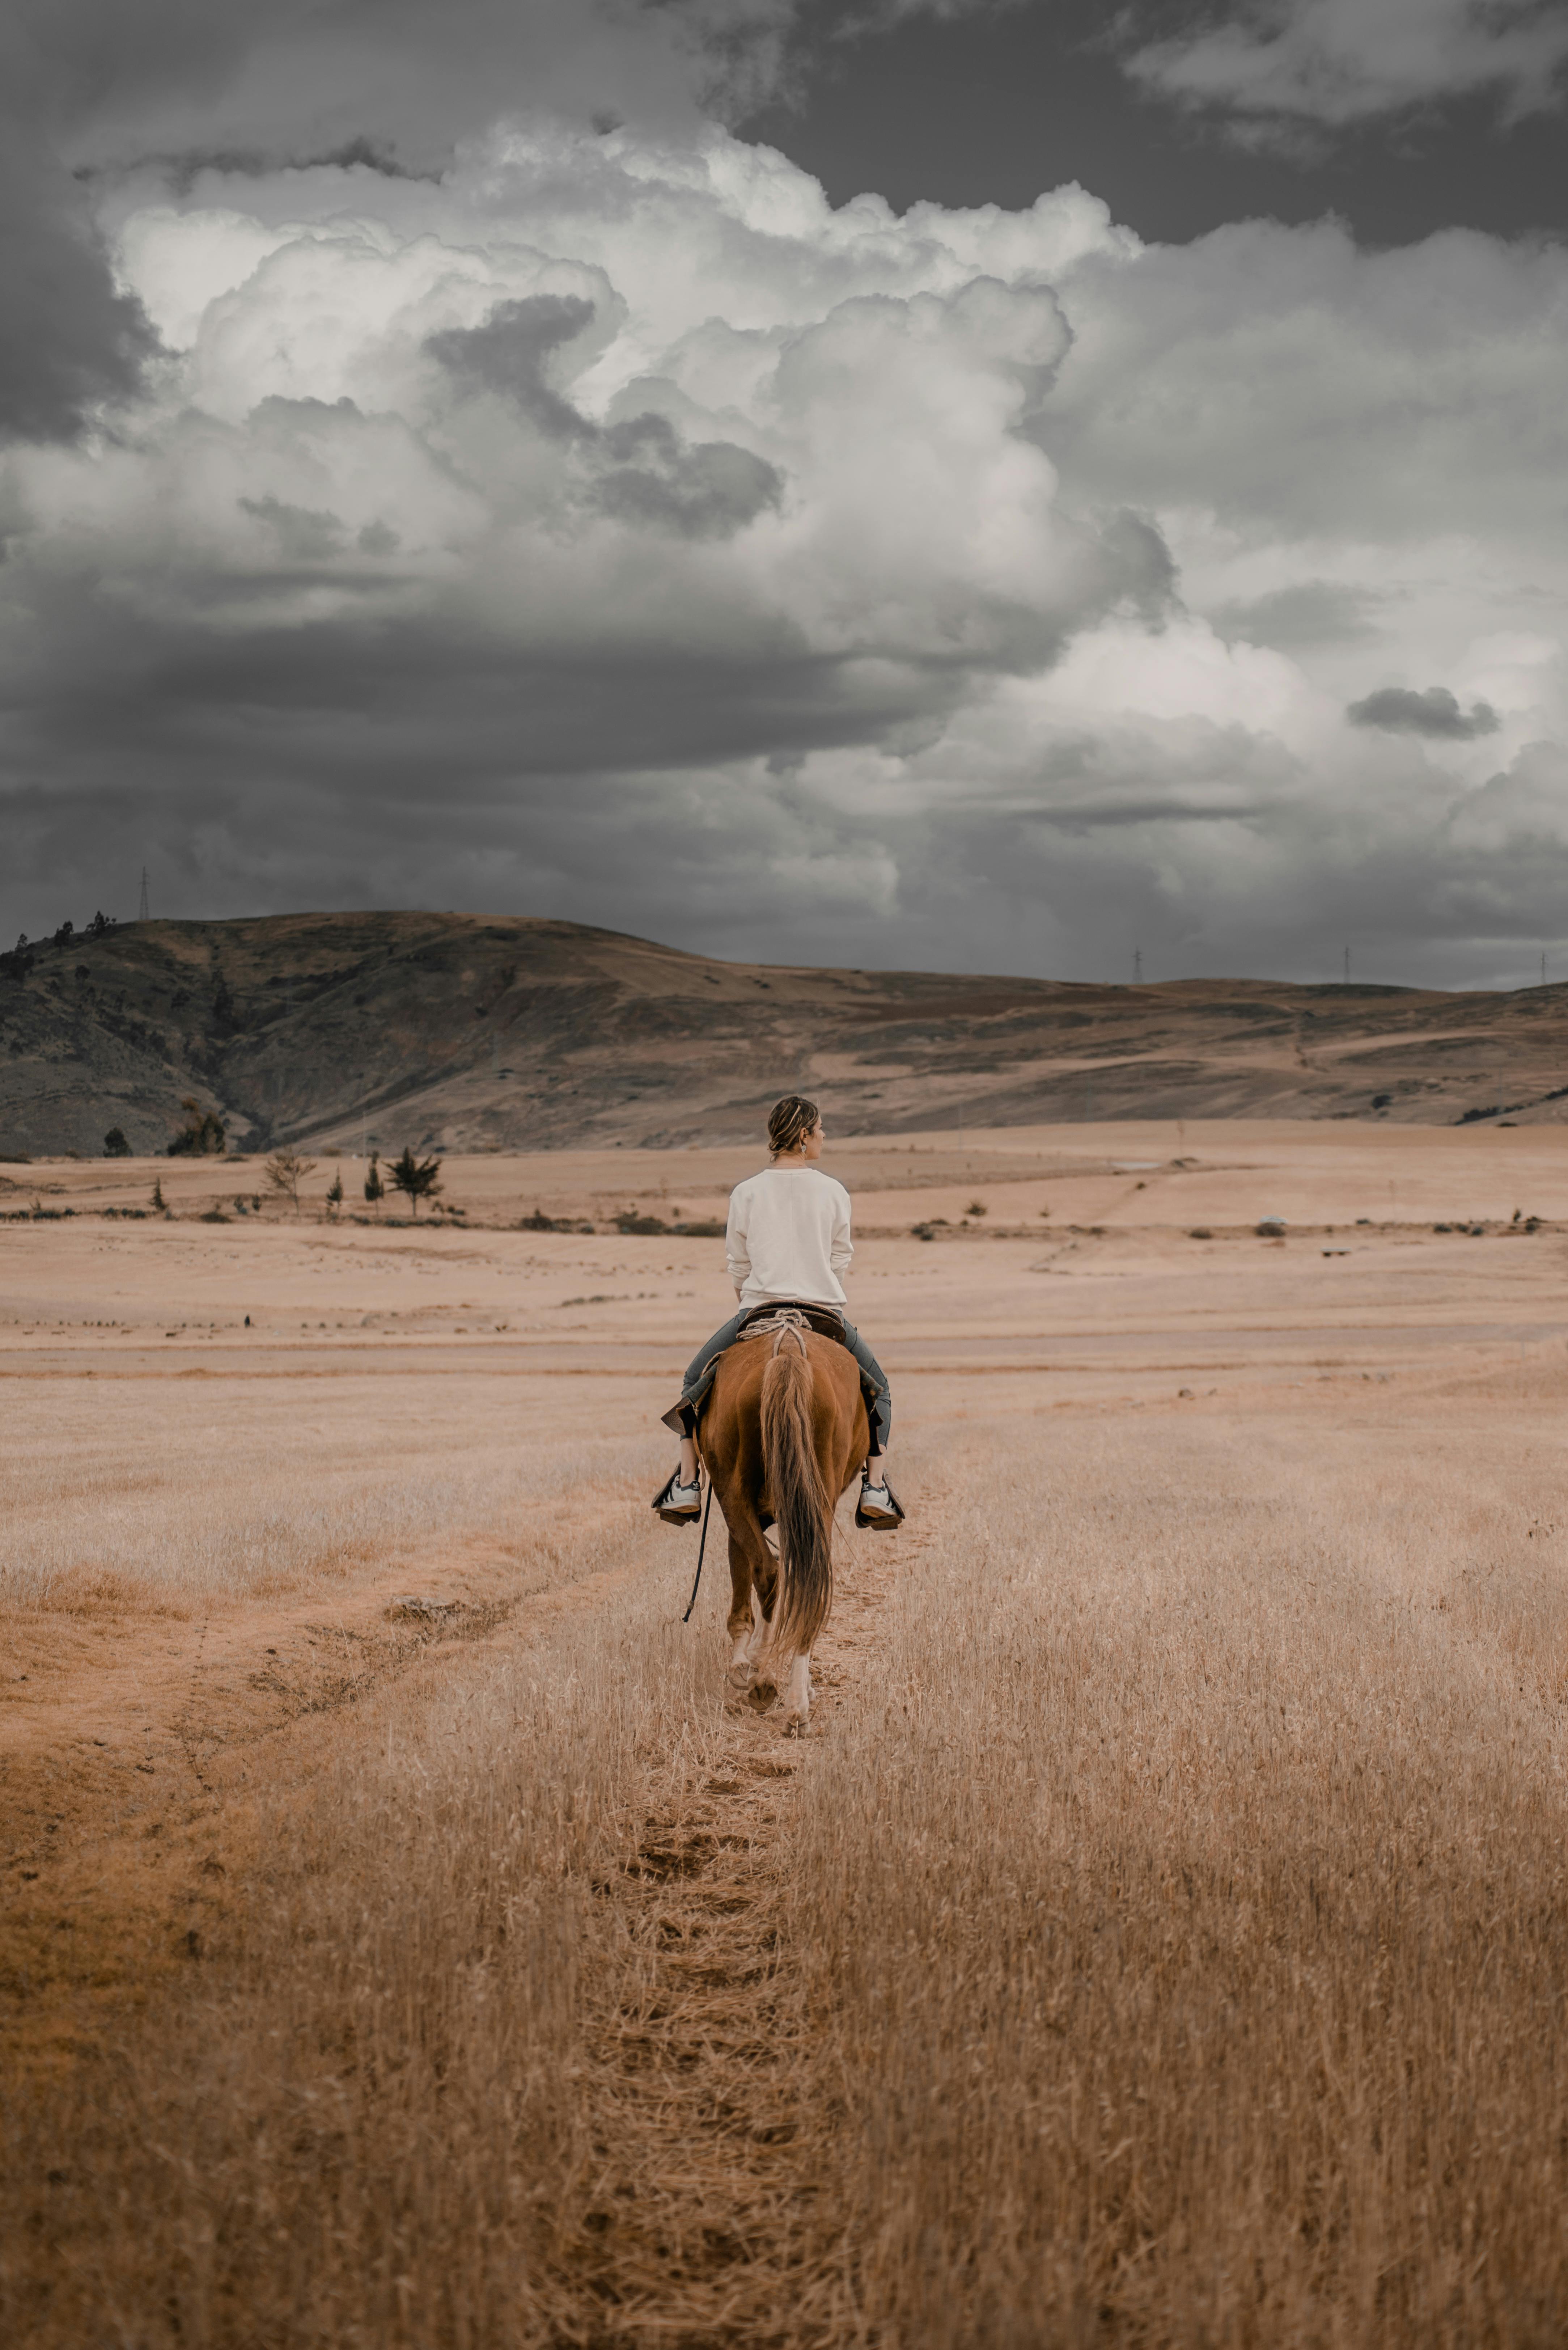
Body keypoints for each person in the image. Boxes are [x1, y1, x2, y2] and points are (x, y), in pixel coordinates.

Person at [653, 1093, 900, 1526]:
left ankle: (688, 1482)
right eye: (820, 1129)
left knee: (695, 1378)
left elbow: (738, 1265)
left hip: (759, 1310)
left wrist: (752, 1308)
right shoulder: (833, 1190)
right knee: (878, 1387)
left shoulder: (746, 1192)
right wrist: (820, 1291)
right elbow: (840, 1257)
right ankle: (875, 1488)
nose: (824, 1136)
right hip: (821, 1311)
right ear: (803, 1136)